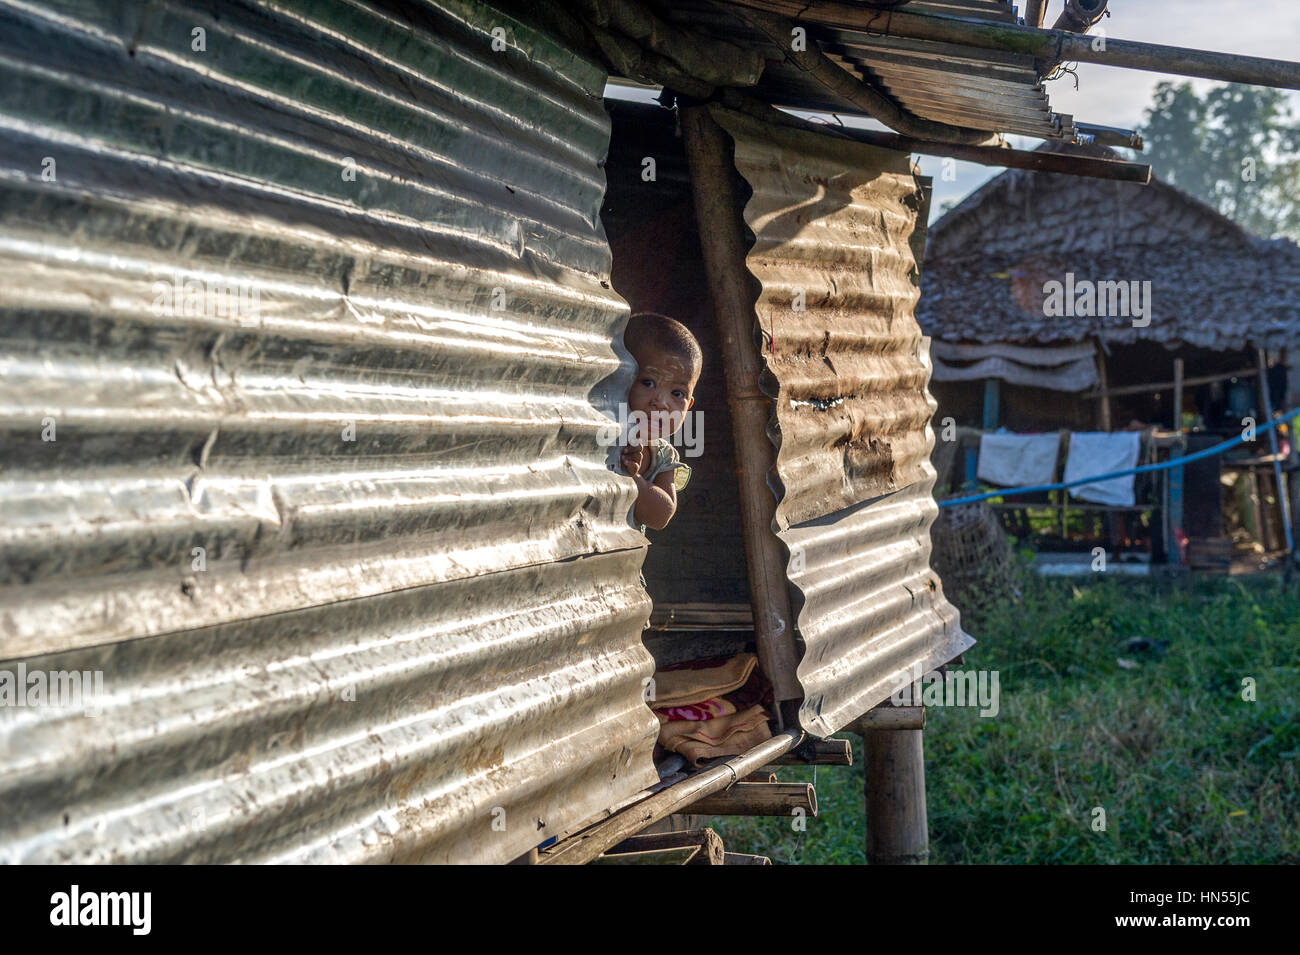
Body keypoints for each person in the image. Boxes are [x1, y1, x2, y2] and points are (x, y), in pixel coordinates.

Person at [619, 312, 702, 533]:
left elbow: (660, 516)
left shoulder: (663, 456)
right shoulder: (602, 432)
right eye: (648, 382)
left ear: (689, 405)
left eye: (677, 393)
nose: (662, 402)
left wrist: (630, 477)